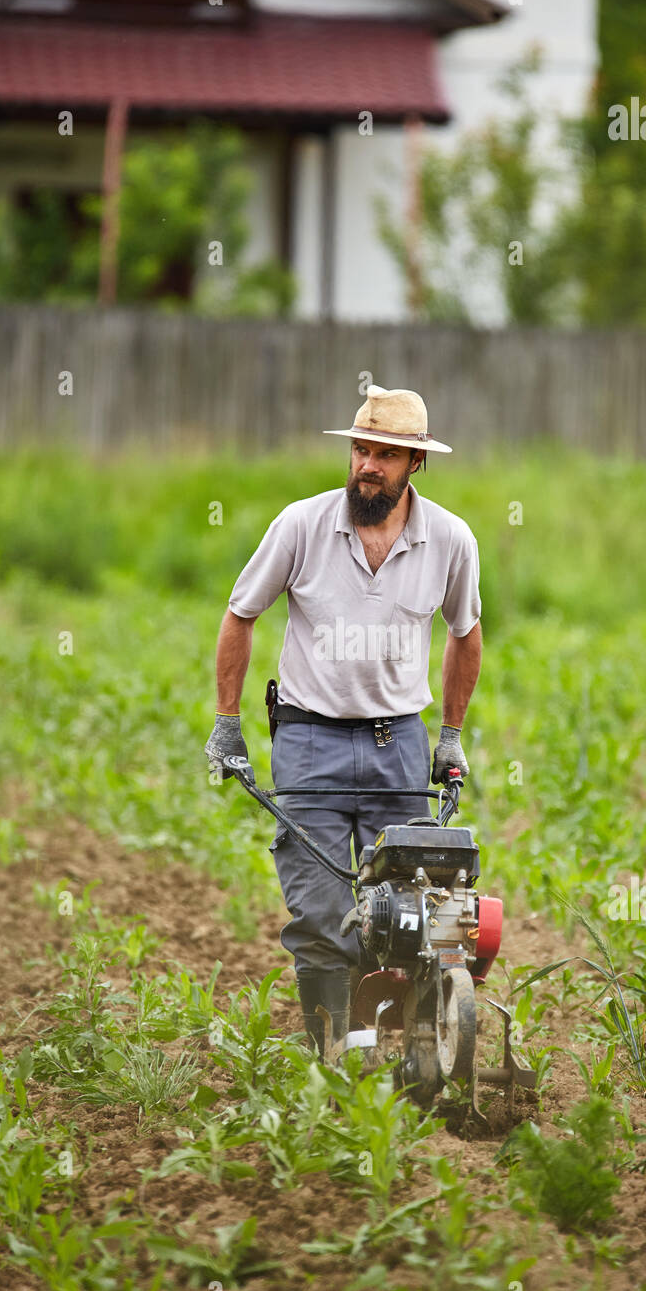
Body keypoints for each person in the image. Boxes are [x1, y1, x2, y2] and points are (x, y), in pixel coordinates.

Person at [204, 384, 482, 1056]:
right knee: (323, 913)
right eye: (361, 448)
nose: (367, 464)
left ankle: (415, 1047)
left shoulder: (450, 539)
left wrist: (449, 736)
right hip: (309, 741)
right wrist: (227, 721)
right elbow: (241, 614)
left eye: (385, 454)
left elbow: (465, 633)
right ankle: (333, 1057)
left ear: (415, 463)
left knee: (414, 906)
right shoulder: (301, 526)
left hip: (397, 746)